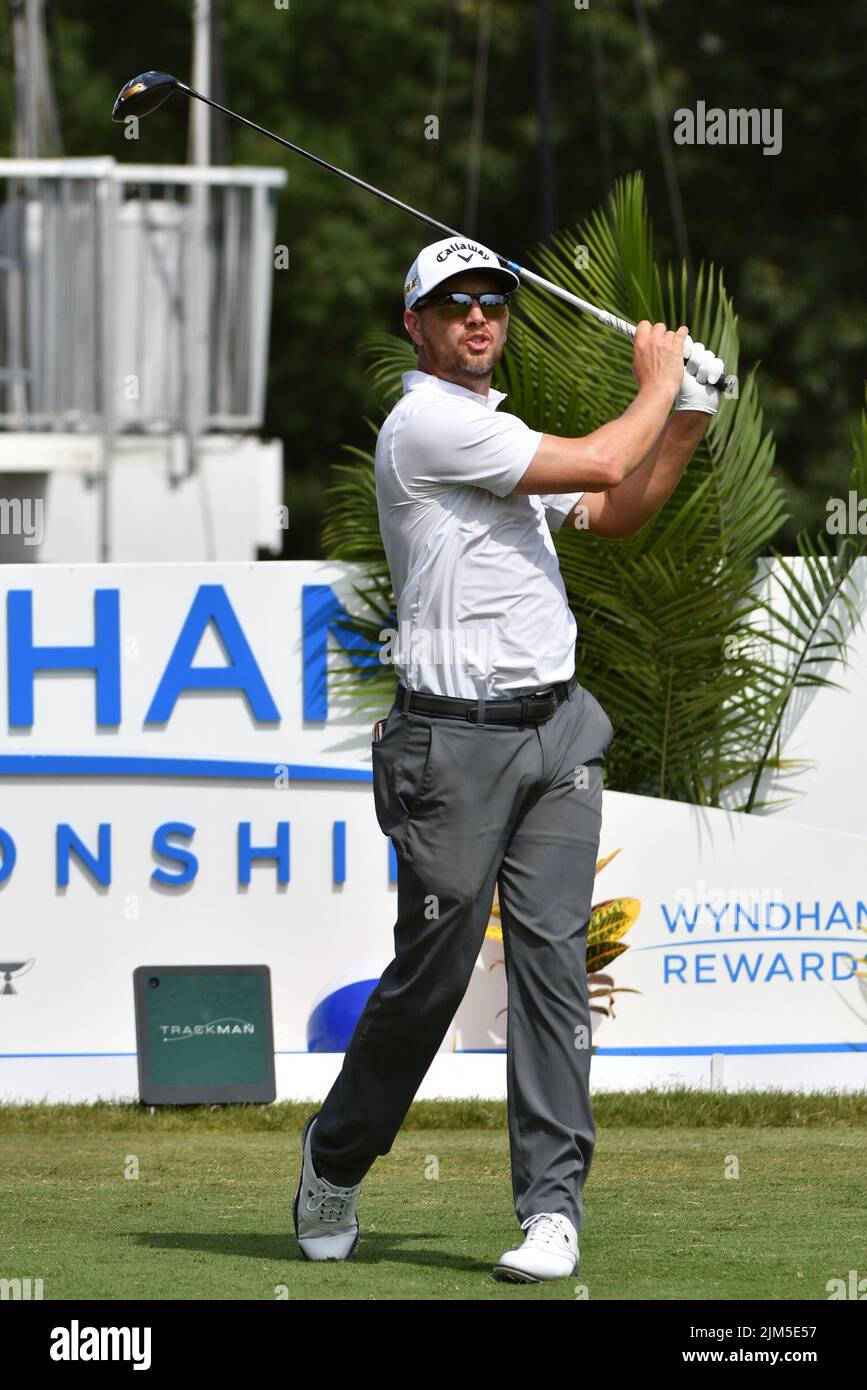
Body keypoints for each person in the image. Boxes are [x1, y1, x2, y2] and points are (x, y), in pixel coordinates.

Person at [293, 236, 725, 1282]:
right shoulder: (426, 424)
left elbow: (617, 509)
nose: (478, 317)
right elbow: (606, 460)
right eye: (454, 304)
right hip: (451, 747)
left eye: (492, 300)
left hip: (558, 734)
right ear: (418, 325)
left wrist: (691, 418)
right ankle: (336, 1157)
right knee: (431, 982)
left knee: (550, 969)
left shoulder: (499, 428)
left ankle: (551, 1208)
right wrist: (659, 386)